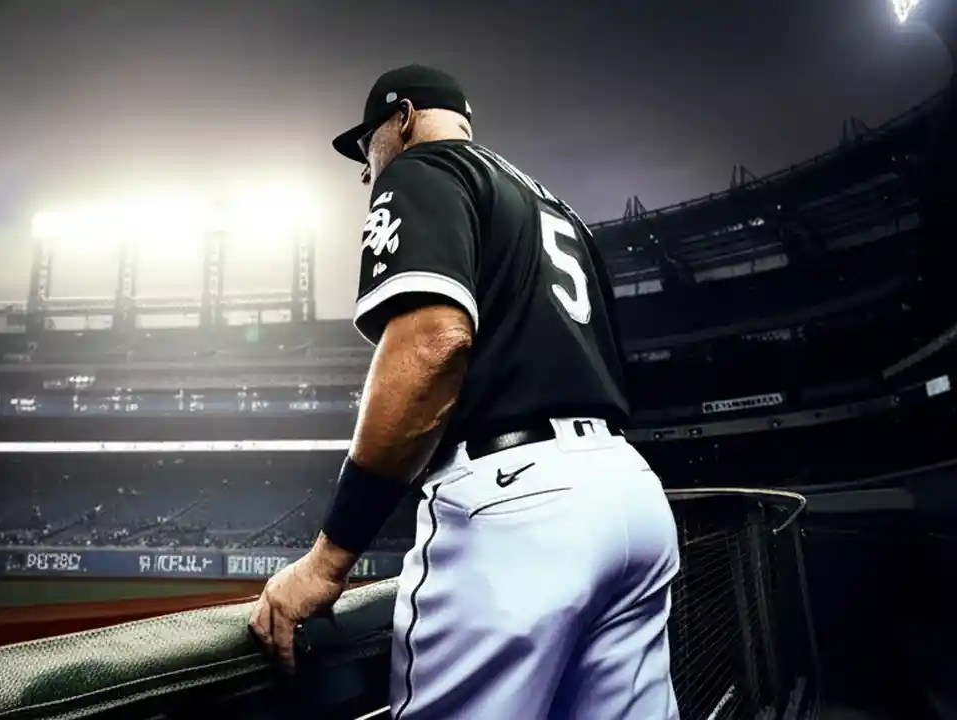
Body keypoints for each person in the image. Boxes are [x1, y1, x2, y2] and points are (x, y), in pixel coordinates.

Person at [249, 64, 681, 718]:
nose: (368, 171)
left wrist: (328, 560)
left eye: (367, 147)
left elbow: (433, 345)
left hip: (518, 509)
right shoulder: (553, 207)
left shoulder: (424, 169)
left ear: (403, 118)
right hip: (630, 493)